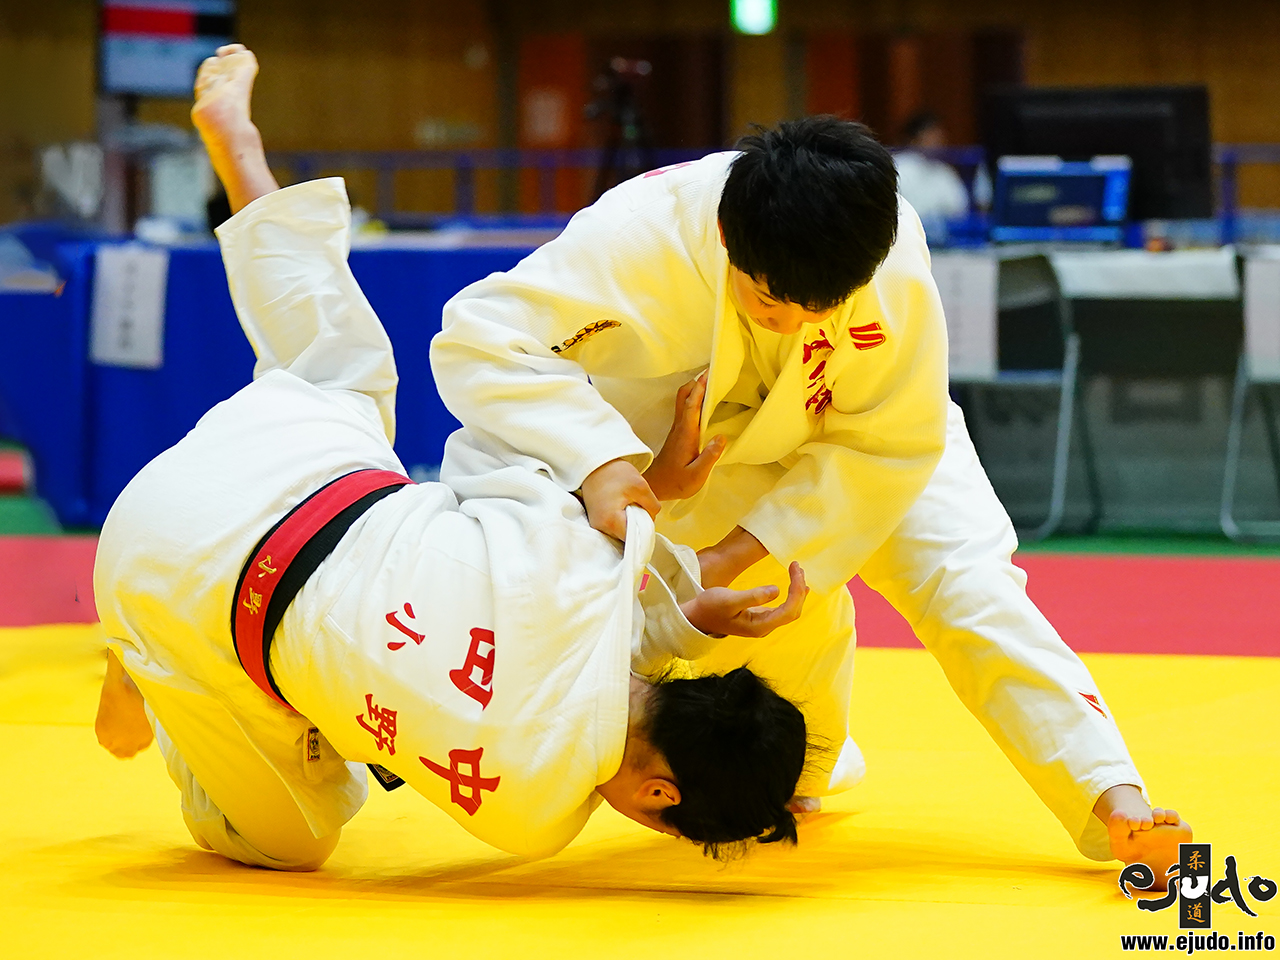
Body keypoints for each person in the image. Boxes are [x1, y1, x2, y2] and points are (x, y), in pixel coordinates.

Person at [92, 45, 811, 870]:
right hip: (159, 568)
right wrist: (668, 610)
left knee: (340, 358)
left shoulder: (594, 558)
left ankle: (244, 154)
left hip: (287, 451)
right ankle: (152, 668)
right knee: (300, 829)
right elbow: (542, 696)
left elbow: (552, 611)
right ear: (660, 797)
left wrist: (649, 509)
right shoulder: (532, 818)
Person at [430, 116, 1190, 882]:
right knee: (771, 619)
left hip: (874, 432)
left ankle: (1112, 795)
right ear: (730, 237)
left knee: (971, 587)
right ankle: (805, 771)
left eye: (821, 310)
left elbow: (887, 446)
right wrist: (597, 463)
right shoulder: (640, 240)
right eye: (769, 302)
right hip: (692, 451)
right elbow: (483, 335)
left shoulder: (885, 257)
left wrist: (736, 550)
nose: (795, 325)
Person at [893, 110, 970, 243]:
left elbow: (959, 212)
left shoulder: (945, 172)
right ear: (914, 139)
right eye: (930, 135)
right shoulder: (898, 167)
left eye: (938, 136)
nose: (936, 141)